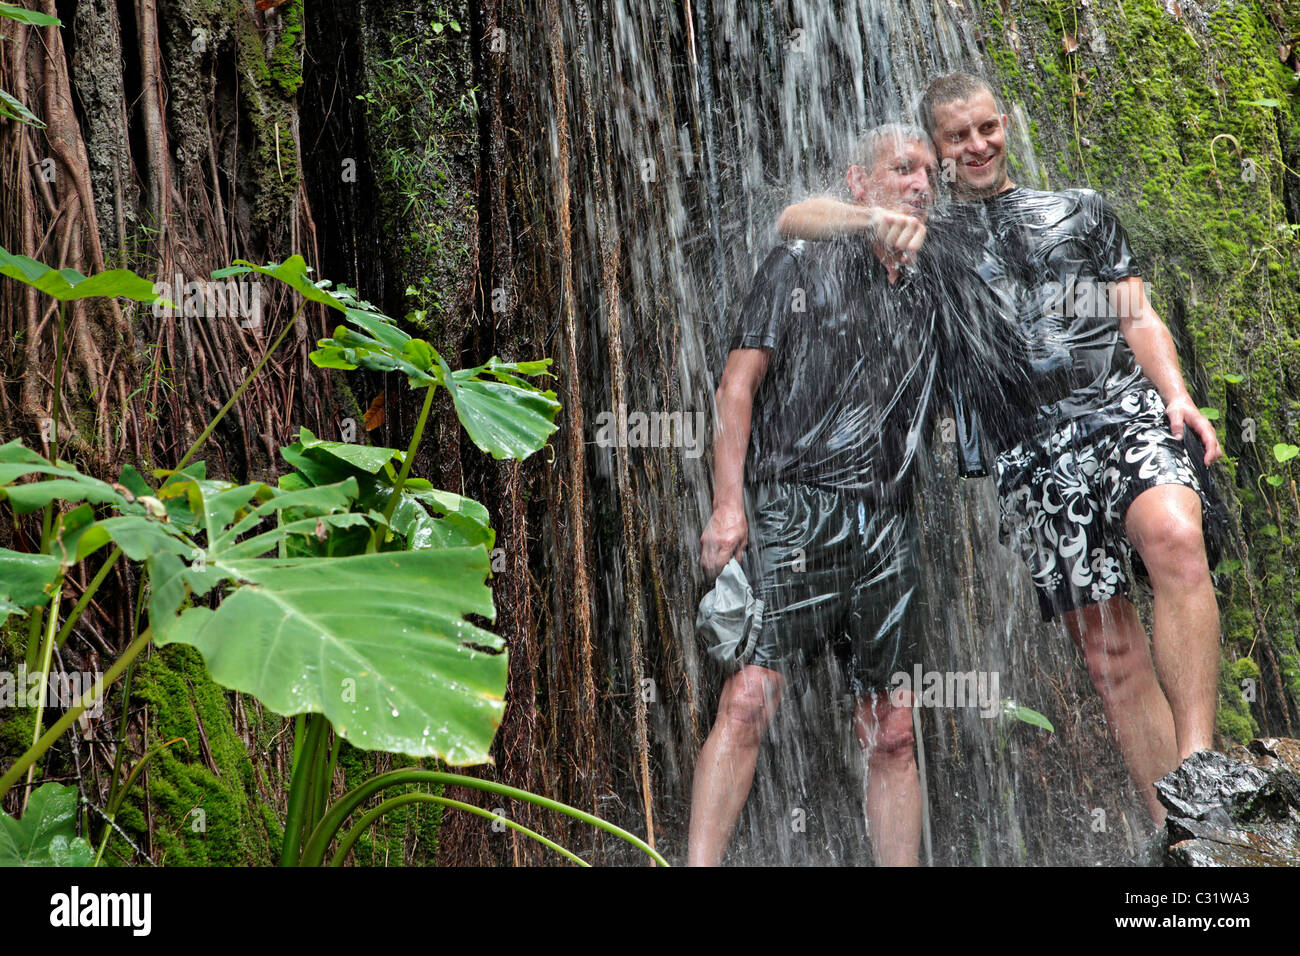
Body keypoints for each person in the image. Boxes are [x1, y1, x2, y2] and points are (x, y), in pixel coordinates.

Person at [777, 73, 1225, 825]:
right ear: (939, 153)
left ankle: (1202, 768)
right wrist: (869, 220)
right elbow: (794, 219)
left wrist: (1176, 392)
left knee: (1175, 537)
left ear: (1005, 123)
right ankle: (1176, 831)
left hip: (1123, 409)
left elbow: (1136, 312)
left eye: (987, 127)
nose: (978, 145)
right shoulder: (930, 242)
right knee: (1110, 656)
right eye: (958, 138)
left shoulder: (1080, 210)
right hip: (1030, 454)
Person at [692, 124, 1054, 866]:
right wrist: (729, 504)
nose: (922, 182)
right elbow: (738, 384)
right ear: (860, 182)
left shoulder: (940, 274)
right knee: (750, 697)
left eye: (929, 171)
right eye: (901, 169)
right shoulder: (805, 256)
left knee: (893, 727)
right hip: (796, 507)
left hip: (891, 521)